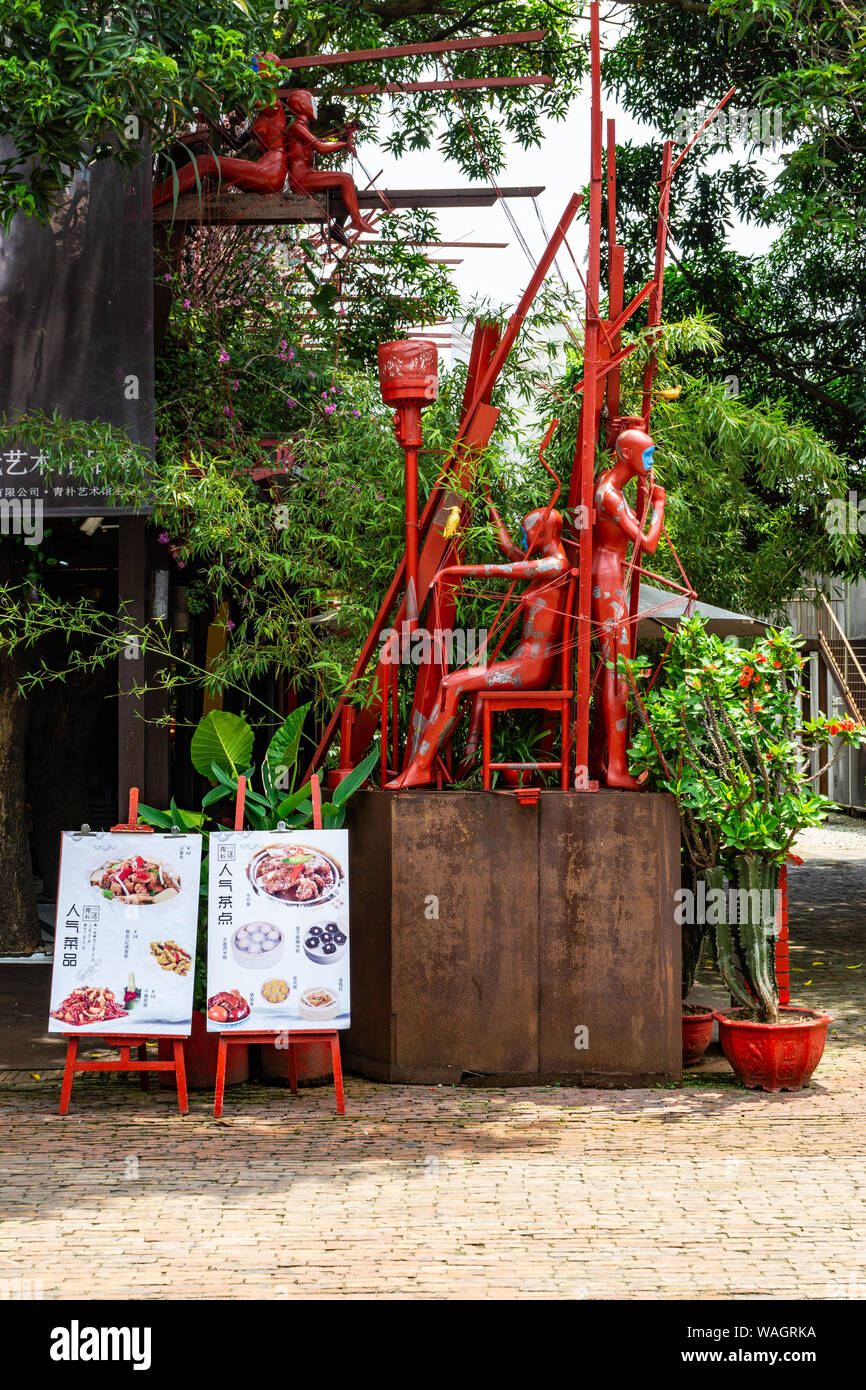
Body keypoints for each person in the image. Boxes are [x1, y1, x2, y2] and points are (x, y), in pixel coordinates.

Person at [387, 501, 571, 789]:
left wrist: (453, 572)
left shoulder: (554, 565)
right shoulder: (546, 564)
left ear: (543, 531)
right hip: (523, 662)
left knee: (452, 683)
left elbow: (505, 569)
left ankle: (420, 767)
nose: (523, 538)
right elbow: (510, 551)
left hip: (531, 668)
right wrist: (491, 508)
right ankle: (468, 758)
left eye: (527, 531)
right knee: (472, 682)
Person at [590, 426, 666, 788]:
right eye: (647, 454)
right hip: (607, 581)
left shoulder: (609, 484)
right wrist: (658, 507)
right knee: (618, 672)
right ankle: (617, 769)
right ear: (625, 454)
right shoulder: (611, 496)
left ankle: (602, 761)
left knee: (616, 669)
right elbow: (648, 545)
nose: (651, 461)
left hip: (610, 576)